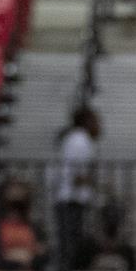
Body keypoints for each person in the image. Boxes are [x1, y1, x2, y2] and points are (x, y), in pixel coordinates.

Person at [53, 108, 102, 255]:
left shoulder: (74, 139)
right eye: (96, 122)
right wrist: (94, 182)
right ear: (87, 122)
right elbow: (77, 174)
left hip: (70, 198)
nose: (99, 126)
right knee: (71, 243)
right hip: (72, 200)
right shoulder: (81, 140)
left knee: (70, 241)